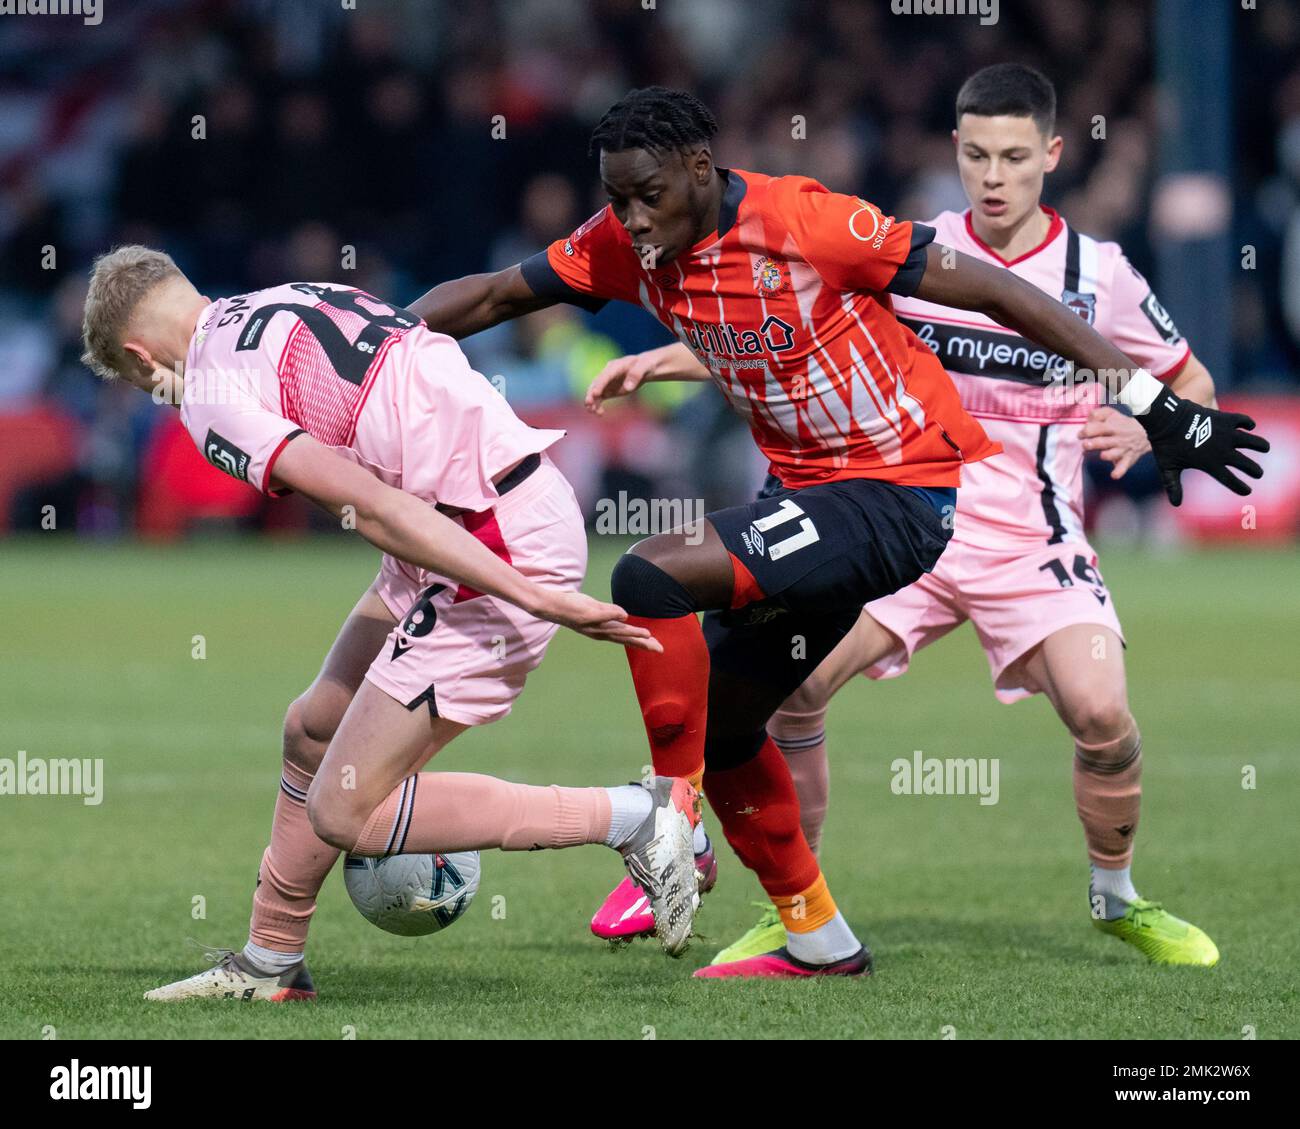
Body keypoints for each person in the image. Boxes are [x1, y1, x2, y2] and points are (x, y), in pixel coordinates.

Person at [409, 87, 1266, 979]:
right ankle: (817, 937)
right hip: (817, 498)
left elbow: (1002, 291)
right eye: (617, 198)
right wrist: (374, 339)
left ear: (701, 169)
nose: (631, 219)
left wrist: (1153, 404)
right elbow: (500, 293)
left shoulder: (808, 223)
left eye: (647, 195)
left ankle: (669, 820)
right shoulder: (629, 240)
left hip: (903, 492)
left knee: (649, 576)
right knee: (737, 721)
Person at [79, 246, 701, 1001]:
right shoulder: (285, 295)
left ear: (142, 355)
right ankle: (270, 961)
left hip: (486, 539)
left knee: (346, 809)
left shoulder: (209, 391)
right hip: (479, 513)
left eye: (145, 382)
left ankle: (636, 816)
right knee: (312, 728)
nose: (159, 395)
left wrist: (532, 594)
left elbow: (373, 506)